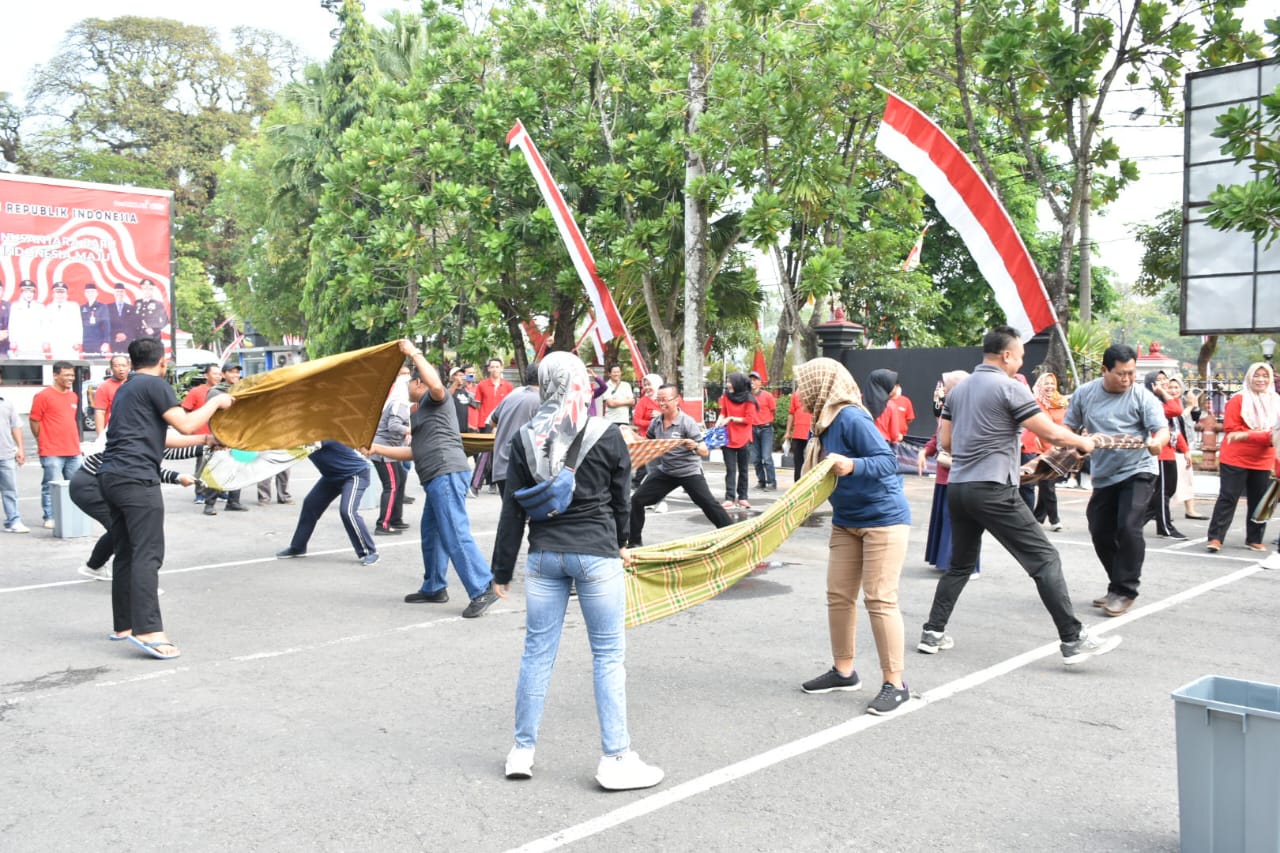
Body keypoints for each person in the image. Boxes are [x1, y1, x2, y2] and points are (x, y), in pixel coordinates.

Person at [492, 351, 663, 790]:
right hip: (596, 553)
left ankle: (522, 751)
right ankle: (616, 757)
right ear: (581, 385)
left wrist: (501, 570)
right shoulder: (607, 433)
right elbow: (622, 498)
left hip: (544, 554)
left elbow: (512, 509)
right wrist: (622, 542)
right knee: (607, 655)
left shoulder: (526, 438)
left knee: (536, 653)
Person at [918, 326, 1121, 665]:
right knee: (1045, 559)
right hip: (993, 489)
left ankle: (933, 632)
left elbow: (947, 442)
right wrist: (1083, 442)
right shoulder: (1011, 387)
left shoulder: (958, 390)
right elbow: (1051, 433)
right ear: (1007, 355)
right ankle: (1072, 639)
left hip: (958, 488)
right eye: (1020, 357)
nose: (1021, 364)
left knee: (960, 566)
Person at [97, 336, 233, 659]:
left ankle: (124, 625)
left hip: (111, 476)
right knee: (148, 553)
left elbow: (162, 437)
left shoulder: (127, 388)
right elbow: (185, 424)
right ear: (163, 362)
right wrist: (217, 403)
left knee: (126, 551)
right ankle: (148, 631)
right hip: (136, 479)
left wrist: (206, 440)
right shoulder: (155, 384)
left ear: (131, 362)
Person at [794, 358, 915, 715]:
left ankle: (896, 684)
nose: (799, 392)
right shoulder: (823, 422)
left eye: (803, 384)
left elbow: (887, 460)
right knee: (839, 596)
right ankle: (844, 671)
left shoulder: (849, 417)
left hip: (883, 520)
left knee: (880, 599)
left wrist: (853, 465)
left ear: (821, 385)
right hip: (846, 519)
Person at [368, 341, 498, 617]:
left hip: (446, 472)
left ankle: (482, 587)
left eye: (408, 383)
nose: (405, 388)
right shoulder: (419, 413)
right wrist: (377, 449)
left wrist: (414, 353)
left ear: (419, 382)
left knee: (454, 531)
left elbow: (437, 384)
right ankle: (434, 587)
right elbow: (414, 452)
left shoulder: (435, 398)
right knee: (432, 533)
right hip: (436, 477)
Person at [1064, 344, 1169, 616]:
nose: (1127, 379)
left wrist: (1157, 442)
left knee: (1129, 526)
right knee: (1100, 530)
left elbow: (1161, 430)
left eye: (1132, 373)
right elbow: (1068, 427)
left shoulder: (1142, 397)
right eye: (1121, 373)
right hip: (1104, 473)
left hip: (1138, 468)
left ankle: (1125, 590)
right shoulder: (1085, 393)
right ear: (1104, 370)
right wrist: (1070, 445)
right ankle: (1116, 585)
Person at [73, 436, 207, 581]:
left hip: (100, 483)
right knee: (127, 534)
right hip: (91, 486)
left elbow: (165, 451)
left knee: (121, 530)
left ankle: (94, 566)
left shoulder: (142, 428)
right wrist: (177, 477)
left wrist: (204, 448)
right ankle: (136, 586)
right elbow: (141, 470)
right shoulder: (130, 432)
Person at [628, 385, 733, 546]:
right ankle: (634, 542)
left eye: (665, 400)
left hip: (689, 472)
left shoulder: (687, 422)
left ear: (676, 400)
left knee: (708, 504)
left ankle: (731, 535)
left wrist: (694, 446)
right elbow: (648, 443)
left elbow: (704, 451)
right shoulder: (656, 422)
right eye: (659, 400)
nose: (661, 403)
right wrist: (630, 434)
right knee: (636, 500)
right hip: (667, 472)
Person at [1206, 362, 1279, 553]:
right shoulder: (1238, 399)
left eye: (1265, 376)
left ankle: (1254, 539)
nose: (1261, 379)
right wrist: (1263, 434)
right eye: (1257, 375)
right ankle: (1215, 537)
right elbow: (1232, 430)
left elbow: (1276, 433)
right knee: (1228, 498)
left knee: (1259, 501)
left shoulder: (1276, 401)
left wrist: (1250, 434)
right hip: (1235, 457)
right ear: (1249, 377)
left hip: (1263, 459)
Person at [275, 440, 379, 565]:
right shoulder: (299, 438)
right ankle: (298, 547)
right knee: (310, 505)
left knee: (347, 512)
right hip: (332, 476)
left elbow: (315, 443)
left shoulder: (319, 434)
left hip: (355, 474)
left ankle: (370, 552)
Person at [918, 370, 972, 574]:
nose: (943, 391)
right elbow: (939, 436)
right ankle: (945, 561)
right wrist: (925, 451)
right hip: (944, 474)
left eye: (947, 387)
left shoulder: (969, 412)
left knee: (956, 521)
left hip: (960, 475)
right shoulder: (947, 410)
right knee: (944, 518)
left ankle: (962, 564)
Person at [29, 361, 84, 529]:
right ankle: (50, 516)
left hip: (73, 449)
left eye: (72, 375)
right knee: (50, 485)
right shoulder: (43, 396)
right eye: (67, 375)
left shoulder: (73, 396)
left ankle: (73, 515)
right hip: (51, 450)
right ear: (55, 375)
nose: (70, 378)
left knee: (75, 486)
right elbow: (34, 420)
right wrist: (41, 439)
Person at [1142, 371, 1189, 540]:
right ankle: (1165, 528)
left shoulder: (1163, 401)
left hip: (1169, 452)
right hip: (1158, 452)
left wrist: (1185, 450)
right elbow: (1176, 409)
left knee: (1168, 490)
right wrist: (1162, 392)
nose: (1163, 383)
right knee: (1162, 492)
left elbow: (1175, 429)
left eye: (1165, 379)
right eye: (1159, 380)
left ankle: (1133, 522)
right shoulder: (1152, 404)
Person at [488, 362, 541, 497]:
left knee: (510, 510)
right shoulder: (542, 402)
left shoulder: (511, 396)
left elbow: (492, 421)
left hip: (501, 467)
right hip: (522, 469)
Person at [370, 365, 412, 535]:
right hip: (384, 452)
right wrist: (410, 431)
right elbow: (393, 426)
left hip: (389, 450)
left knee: (400, 479)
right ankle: (383, 524)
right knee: (392, 486)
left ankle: (395, 519)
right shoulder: (399, 403)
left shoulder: (400, 403)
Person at [202, 365, 249, 514]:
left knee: (238, 469)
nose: (235, 375)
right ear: (223, 374)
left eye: (237, 372)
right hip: (222, 435)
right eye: (231, 372)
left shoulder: (243, 389)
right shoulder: (215, 392)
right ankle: (209, 504)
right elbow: (212, 413)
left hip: (239, 434)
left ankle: (233, 502)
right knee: (219, 469)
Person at [1031, 372, 1069, 531]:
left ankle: (1037, 518)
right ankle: (1055, 520)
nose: (1050, 387)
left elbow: (1067, 424)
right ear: (1040, 386)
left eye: (1052, 383)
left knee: (1046, 484)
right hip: (1040, 449)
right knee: (1047, 484)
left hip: (1058, 449)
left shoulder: (1061, 402)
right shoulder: (1035, 403)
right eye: (1046, 383)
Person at [716, 372, 757, 509]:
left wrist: (732, 418)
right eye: (727, 381)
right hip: (728, 438)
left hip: (744, 438)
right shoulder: (727, 396)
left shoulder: (749, 399)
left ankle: (743, 497)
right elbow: (723, 412)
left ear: (738, 384)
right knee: (730, 469)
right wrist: (718, 424)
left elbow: (749, 419)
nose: (728, 384)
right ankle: (729, 498)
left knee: (743, 469)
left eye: (730, 382)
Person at [1170, 377, 1207, 520]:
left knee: (1187, 479)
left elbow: (1195, 417)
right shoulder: (1166, 403)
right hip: (1172, 447)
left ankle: (1190, 510)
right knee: (1171, 482)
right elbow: (1178, 419)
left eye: (1176, 387)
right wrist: (1190, 407)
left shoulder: (1182, 402)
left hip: (1184, 446)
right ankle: (1161, 510)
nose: (1174, 390)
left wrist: (1194, 403)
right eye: (1170, 387)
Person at [1, 367, 29, 533]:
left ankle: (13, 521)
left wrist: (20, 449)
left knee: (10, 490)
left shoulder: (6, 402)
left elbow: (16, 426)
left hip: (6, 454)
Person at [750, 371, 778, 491]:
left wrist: (767, 421)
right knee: (756, 458)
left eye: (755, 380)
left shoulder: (767, 396)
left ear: (760, 382)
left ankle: (772, 482)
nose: (752, 382)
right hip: (752, 429)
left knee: (766, 457)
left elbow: (773, 410)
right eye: (751, 380)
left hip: (766, 429)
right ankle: (761, 481)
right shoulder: (747, 397)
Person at [864, 369, 904, 448]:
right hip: (882, 445)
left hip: (861, 443)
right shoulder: (890, 406)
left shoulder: (859, 401)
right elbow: (894, 435)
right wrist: (899, 437)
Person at [8, 280, 45, 359]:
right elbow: (12, 325)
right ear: (22, 293)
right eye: (26, 292)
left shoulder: (40, 307)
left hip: (37, 343)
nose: (29, 294)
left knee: (37, 363)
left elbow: (44, 325)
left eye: (31, 292)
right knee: (21, 363)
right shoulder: (15, 306)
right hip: (21, 343)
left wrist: (45, 341)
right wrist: (12, 341)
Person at [93, 355, 131, 433]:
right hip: (114, 433)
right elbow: (100, 413)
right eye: (116, 366)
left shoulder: (135, 383)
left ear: (129, 367)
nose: (121, 369)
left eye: (123, 366)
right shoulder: (104, 387)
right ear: (111, 368)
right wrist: (100, 436)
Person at [46, 283, 83, 358]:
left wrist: (78, 341)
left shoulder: (73, 306)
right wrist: (47, 341)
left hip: (70, 343)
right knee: (57, 363)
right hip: (55, 343)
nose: (60, 295)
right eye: (57, 292)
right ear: (53, 294)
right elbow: (46, 326)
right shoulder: (49, 307)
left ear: (66, 294)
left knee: (71, 362)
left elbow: (78, 325)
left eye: (62, 292)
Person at [783, 387, 812, 484]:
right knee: (797, 459)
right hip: (797, 433)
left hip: (811, 432)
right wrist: (788, 432)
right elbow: (791, 413)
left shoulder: (813, 392)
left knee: (810, 459)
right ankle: (797, 482)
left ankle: (809, 482)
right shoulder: (796, 394)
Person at [80, 283, 113, 357]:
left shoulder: (102, 307)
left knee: (98, 361)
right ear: (85, 294)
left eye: (92, 292)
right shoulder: (82, 308)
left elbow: (106, 324)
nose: (90, 294)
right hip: (86, 341)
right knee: (87, 361)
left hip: (98, 340)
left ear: (97, 293)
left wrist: (106, 341)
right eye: (88, 292)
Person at [110, 282, 138, 353]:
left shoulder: (131, 308)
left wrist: (125, 335)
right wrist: (116, 335)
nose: (119, 293)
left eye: (121, 291)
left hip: (127, 341)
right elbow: (106, 325)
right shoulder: (107, 308)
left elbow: (133, 325)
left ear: (125, 293)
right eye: (117, 291)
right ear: (114, 293)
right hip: (114, 341)